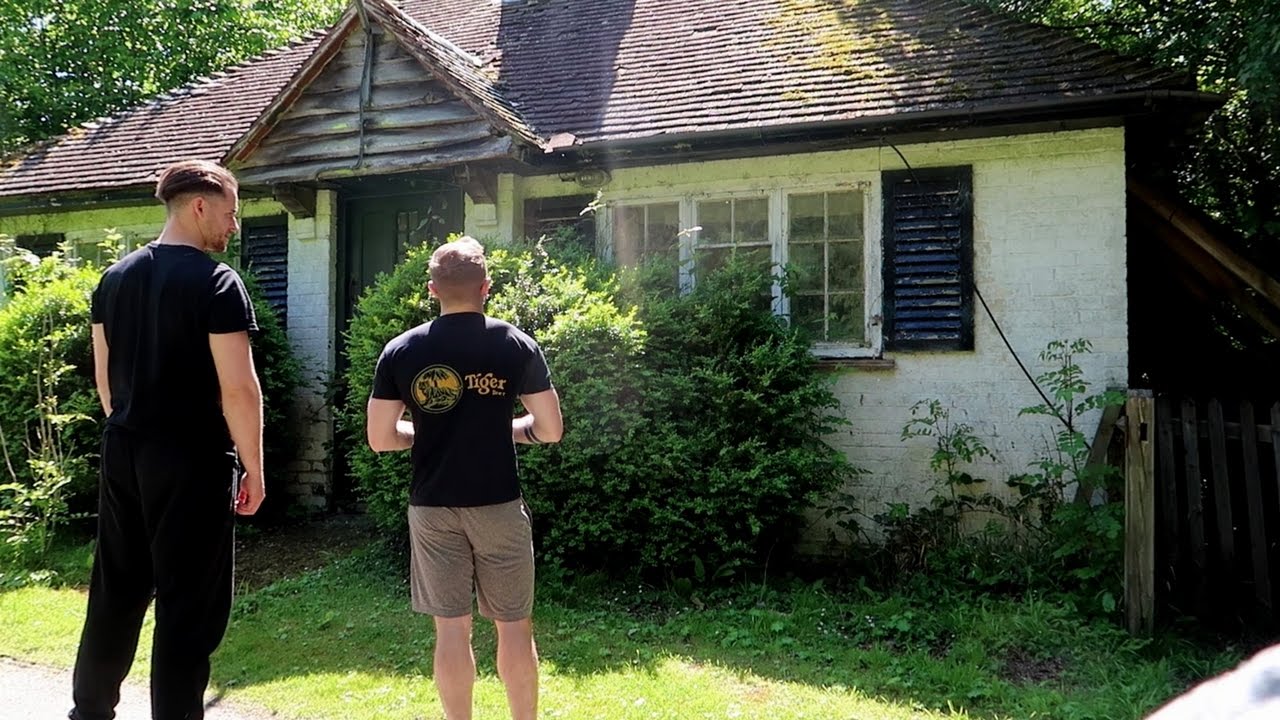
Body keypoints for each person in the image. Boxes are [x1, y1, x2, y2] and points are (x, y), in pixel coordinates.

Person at [70, 159, 265, 720]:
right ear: (199, 205)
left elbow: (106, 384)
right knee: (188, 603)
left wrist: (131, 430)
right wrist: (253, 468)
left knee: (116, 590)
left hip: (125, 450)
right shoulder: (216, 282)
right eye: (229, 214)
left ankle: (89, 713)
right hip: (192, 456)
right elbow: (239, 390)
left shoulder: (114, 278)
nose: (233, 227)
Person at [366, 236, 563, 720]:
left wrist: (427, 433)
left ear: (433, 289)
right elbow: (550, 429)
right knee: (515, 627)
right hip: (498, 503)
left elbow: (381, 438)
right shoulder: (515, 343)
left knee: (451, 631)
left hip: (433, 507)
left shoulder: (401, 350)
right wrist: (506, 429)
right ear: (486, 287)